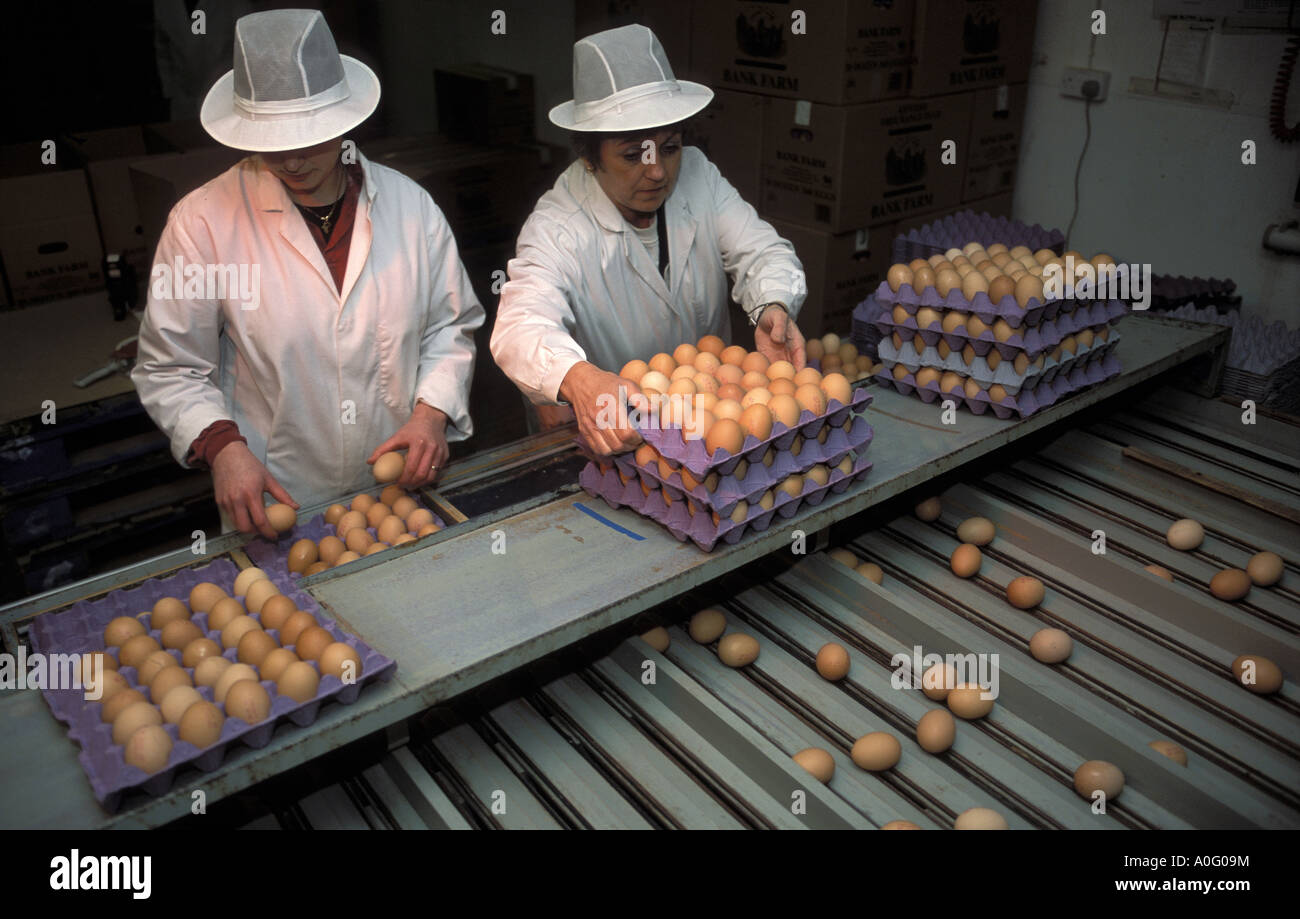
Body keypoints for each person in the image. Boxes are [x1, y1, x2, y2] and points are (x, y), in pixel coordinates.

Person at [132, 9, 483, 538]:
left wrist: (432, 412)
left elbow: (449, 329)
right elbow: (170, 367)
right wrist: (223, 447)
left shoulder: (412, 209)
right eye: (273, 145)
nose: (292, 162)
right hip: (276, 493)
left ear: (345, 123)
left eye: (311, 140)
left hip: (398, 490)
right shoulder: (201, 223)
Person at [490, 24, 807, 456]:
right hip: (620, 440)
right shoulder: (558, 226)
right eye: (632, 154)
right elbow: (520, 325)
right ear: (588, 156)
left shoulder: (700, 178)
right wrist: (577, 380)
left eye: (669, 147)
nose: (658, 171)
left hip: (710, 428)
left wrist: (772, 302)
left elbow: (763, 252)